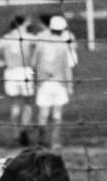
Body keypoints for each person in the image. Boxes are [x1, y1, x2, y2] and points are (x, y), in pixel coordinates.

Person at [0, 15, 35, 144]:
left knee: (15, 103)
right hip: (25, 71)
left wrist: (0, 63)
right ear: (21, 24)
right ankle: (25, 128)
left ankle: (16, 133)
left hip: (10, 72)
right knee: (27, 103)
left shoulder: (5, 39)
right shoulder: (28, 37)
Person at [31, 15, 78, 148]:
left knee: (43, 113)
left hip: (43, 83)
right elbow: (67, 68)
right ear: (62, 30)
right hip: (59, 83)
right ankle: (54, 141)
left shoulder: (40, 44)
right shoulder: (64, 46)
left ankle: (41, 141)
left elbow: (33, 63)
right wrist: (70, 86)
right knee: (57, 114)